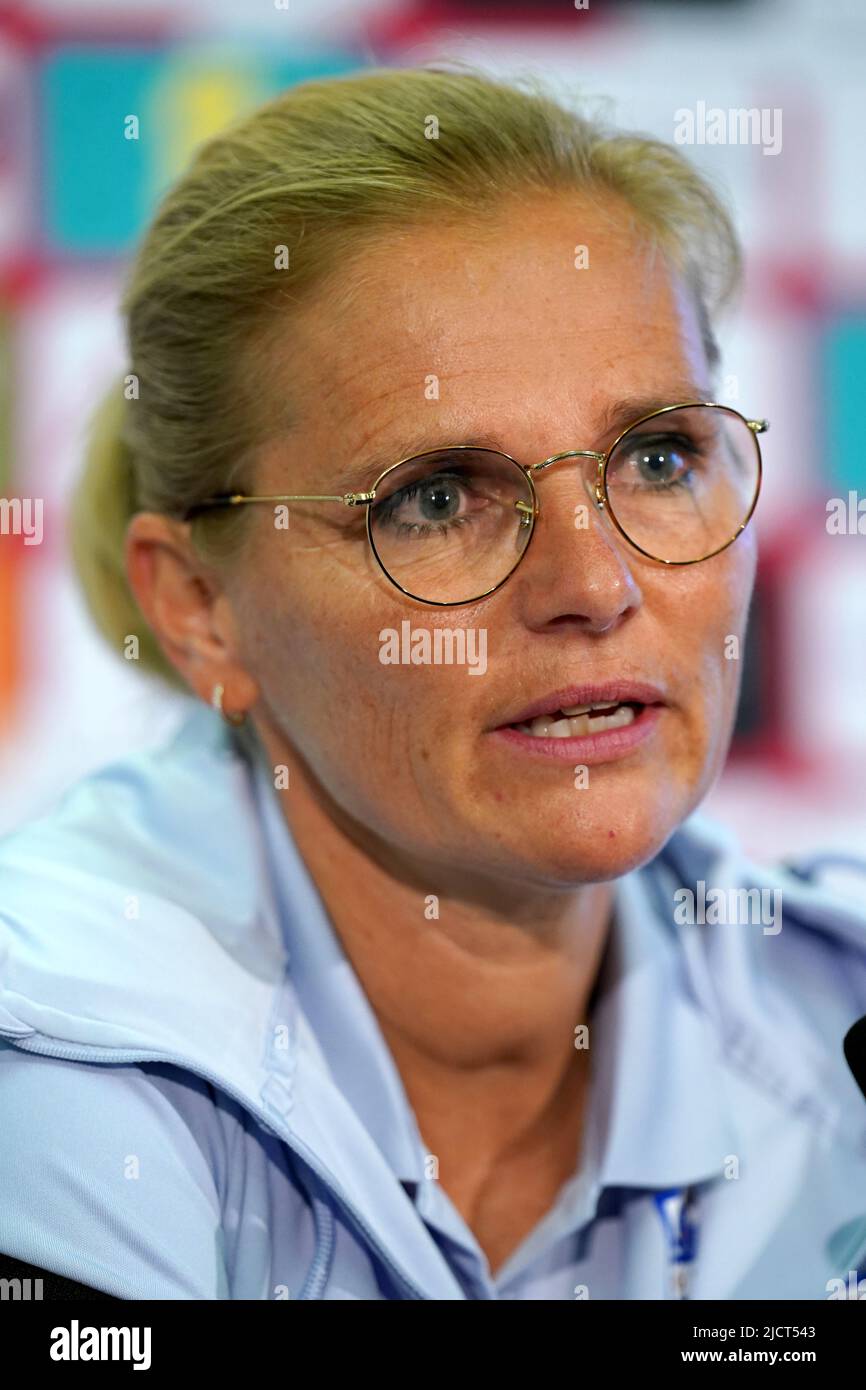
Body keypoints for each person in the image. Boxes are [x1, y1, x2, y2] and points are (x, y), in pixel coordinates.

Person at [1, 64, 865, 1302]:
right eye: (437, 498)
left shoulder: (832, 1022)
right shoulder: (53, 1054)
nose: (595, 582)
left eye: (655, 456)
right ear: (200, 610)